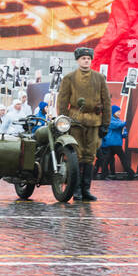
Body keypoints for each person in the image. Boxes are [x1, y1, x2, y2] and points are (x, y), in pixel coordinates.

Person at [56, 47, 112, 201]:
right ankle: (76, 189)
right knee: (76, 157)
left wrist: (106, 124)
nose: (86, 61)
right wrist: (63, 123)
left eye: (88, 58)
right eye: (83, 58)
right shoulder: (69, 78)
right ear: (78, 60)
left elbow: (106, 102)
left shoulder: (99, 78)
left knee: (90, 156)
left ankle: (86, 189)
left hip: (94, 122)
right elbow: (62, 102)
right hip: (75, 122)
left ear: (91, 60)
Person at [96, 105, 133, 179]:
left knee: (107, 160)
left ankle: (104, 175)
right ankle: (130, 173)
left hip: (114, 142)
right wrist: (126, 122)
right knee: (123, 158)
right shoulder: (110, 119)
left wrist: (124, 133)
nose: (119, 113)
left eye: (120, 111)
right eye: (118, 111)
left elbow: (121, 128)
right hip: (114, 143)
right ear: (113, 112)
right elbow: (116, 125)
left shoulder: (118, 120)